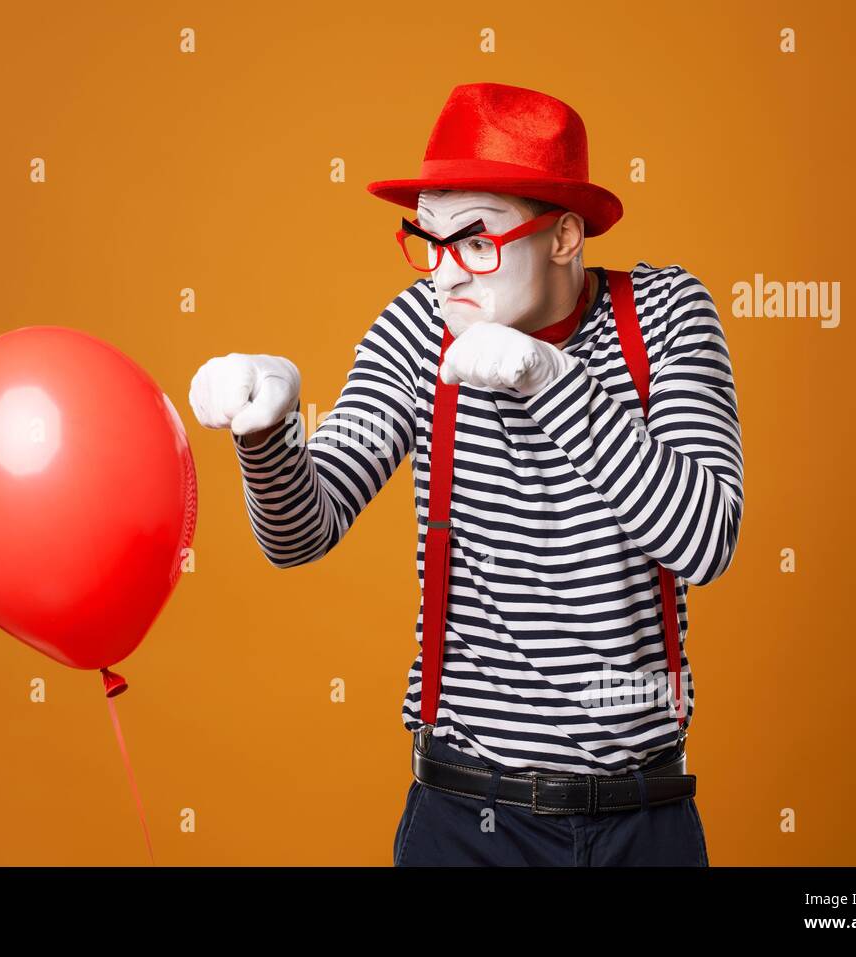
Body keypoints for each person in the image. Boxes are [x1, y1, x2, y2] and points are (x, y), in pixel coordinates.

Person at [187, 82, 743, 866]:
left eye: (475, 240)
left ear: (564, 237)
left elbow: (705, 538)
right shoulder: (418, 331)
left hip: (640, 817)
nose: (446, 275)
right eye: (429, 239)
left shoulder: (664, 316)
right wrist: (267, 434)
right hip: (464, 821)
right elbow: (301, 533)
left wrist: (555, 385)